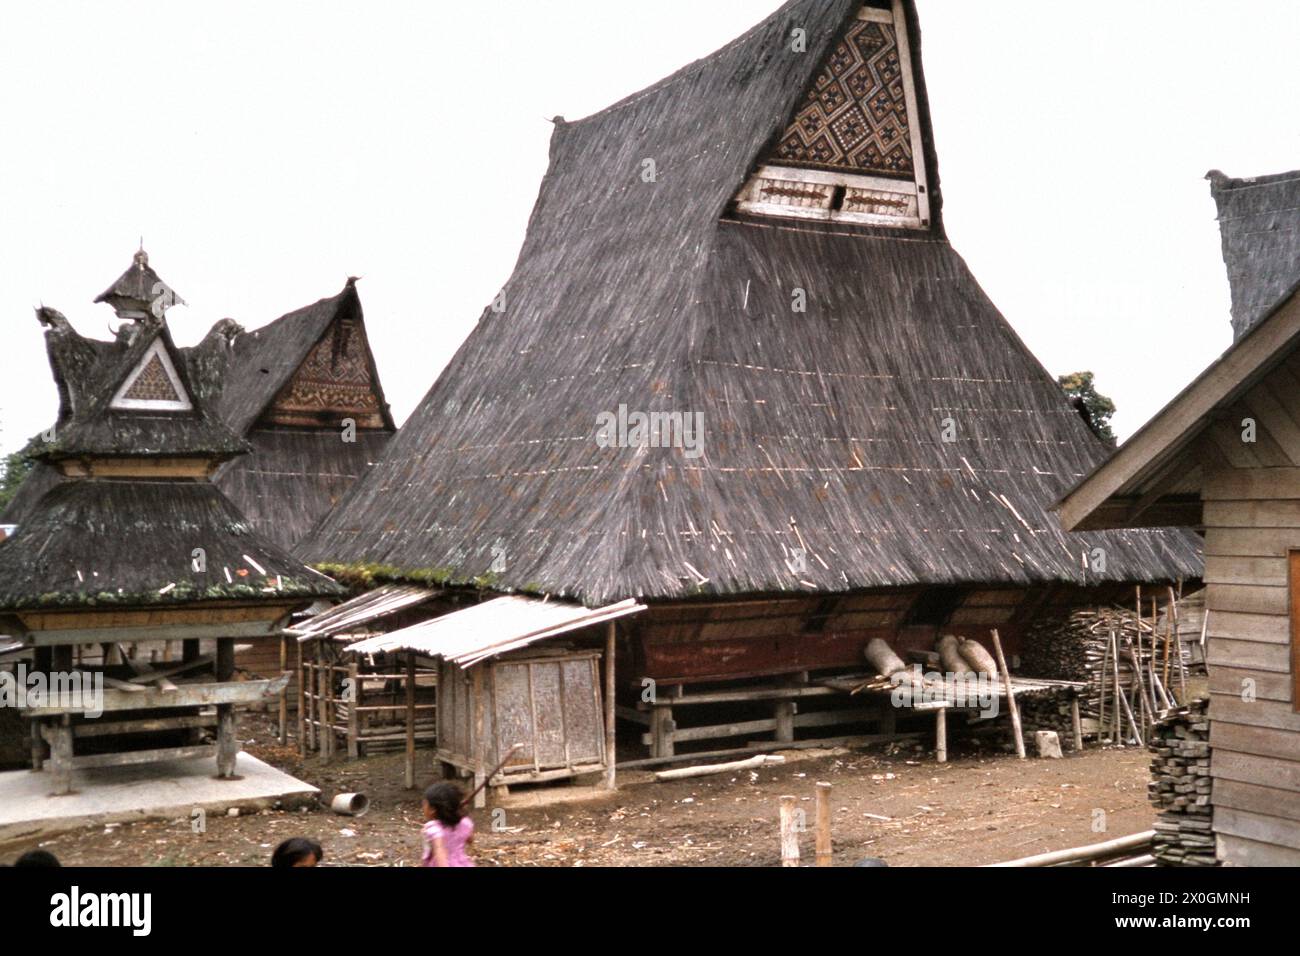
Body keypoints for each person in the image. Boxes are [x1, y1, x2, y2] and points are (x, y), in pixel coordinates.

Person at [421, 782, 474, 867]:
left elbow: (439, 851)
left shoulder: (434, 830)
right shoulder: (465, 823)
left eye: (424, 804)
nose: (423, 807)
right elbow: (470, 839)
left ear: (432, 810)